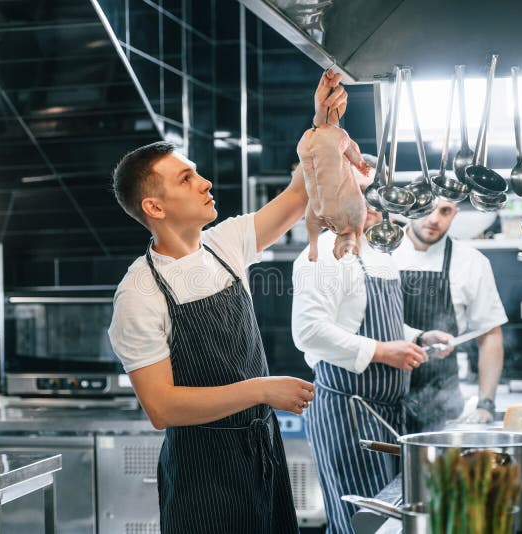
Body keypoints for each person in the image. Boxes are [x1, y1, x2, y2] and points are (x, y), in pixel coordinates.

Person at [107, 70, 349, 534]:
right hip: (203, 475)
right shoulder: (139, 293)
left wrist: (321, 121)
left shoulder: (225, 243)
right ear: (155, 208)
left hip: (262, 453)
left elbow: (300, 195)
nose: (204, 182)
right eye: (186, 178)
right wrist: (262, 390)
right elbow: (162, 408)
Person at [291, 155, 453, 534]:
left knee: (388, 522)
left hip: (384, 413)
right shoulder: (324, 255)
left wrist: (416, 337)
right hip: (348, 415)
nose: (380, 206)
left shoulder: (377, 254)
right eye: (368, 196)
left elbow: (367, 319)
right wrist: (382, 352)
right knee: (362, 524)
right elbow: (309, 331)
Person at [393, 198, 508, 432]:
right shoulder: (382, 254)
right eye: (425, 209)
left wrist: (486, 404)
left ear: (455, 214)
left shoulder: (471, 262)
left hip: (441, 403)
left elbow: (490, 335)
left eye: (445, 211)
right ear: (408, 208)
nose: (435, 219)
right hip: (381, 398)